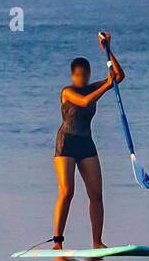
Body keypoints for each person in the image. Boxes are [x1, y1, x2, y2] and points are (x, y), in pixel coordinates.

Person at [52, 31, 124, 250]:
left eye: (86, 75)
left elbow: (119, 76)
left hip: (86, 143)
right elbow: (84, 102)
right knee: (67, 192)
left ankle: (97, 242)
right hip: (66, 144)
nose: (82, 79)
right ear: (73, 75)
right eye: (78, 75)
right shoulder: (68, 91)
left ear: (89, 74)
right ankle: (57, 242)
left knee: (96, 194)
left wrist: (108, 50)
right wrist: (106, 85)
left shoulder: (93, 86)